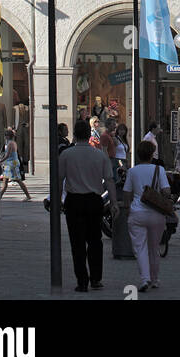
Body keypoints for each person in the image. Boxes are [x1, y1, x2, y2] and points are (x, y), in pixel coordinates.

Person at [59, 119, 119, 292]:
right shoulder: (100, 155)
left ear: (75, 135)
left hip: (74, 201)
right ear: (89, 134)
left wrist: (57, 202)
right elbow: (109, 180)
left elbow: (59, 179)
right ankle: (96, 278)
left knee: (76, 243)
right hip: (94, 201)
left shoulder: (66, 155)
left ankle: (82, 280)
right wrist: (114, 203)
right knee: (95, 241)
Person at [122, 138, 171, 292]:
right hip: (156, 214)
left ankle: (145, 279)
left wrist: (128, 208)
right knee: (154, 247)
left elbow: (126, 194)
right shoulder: (159, 170)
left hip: (137, 213)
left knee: (140, 248)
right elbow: (166, 191)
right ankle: (155, 279)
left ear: (138, 155)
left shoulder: (132, 171)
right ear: (151, 155)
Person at [0, 127, 31, 200]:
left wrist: (1, 161)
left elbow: (8, 155)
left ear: (8, 136)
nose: (5, 137)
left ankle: (28, 196)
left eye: (5, 135)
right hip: (12, 163)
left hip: (11, 164)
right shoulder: (13, 143)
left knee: (16, 180)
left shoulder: (10, 143)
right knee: (7, 180)